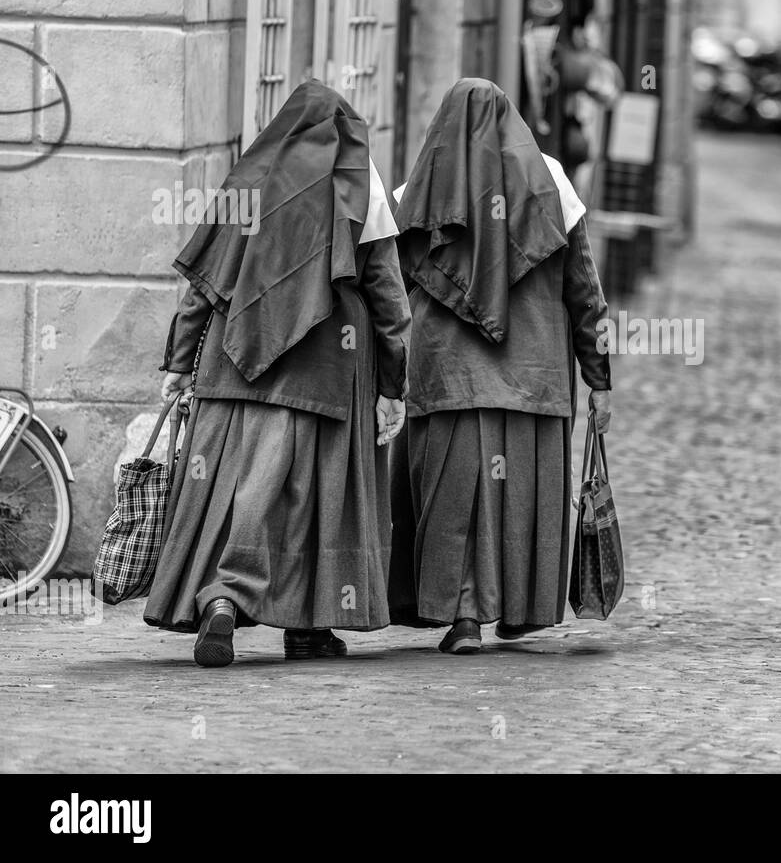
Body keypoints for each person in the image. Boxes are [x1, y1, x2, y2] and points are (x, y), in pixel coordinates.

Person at [144, 80, 412, 667]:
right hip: (325, 374)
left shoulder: (250, 175)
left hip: (233, 366)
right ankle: (308, 625)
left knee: (231, 489)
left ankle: (221, 602)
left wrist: (179, 362)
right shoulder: (358, 184)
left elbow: (205, 287)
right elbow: (389, 295)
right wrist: (392, 386)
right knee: (316, 500)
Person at [388, 78, 612, 655]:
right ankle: (521, 611)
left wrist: (384, 376)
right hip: (534, 380)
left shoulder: (415, 193)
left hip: (447, 380)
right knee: (522, 501)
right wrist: (599, 380)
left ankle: (464, 616)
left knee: (456, 501)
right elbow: (585, 291)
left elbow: (388, 292)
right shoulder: (554, 184)